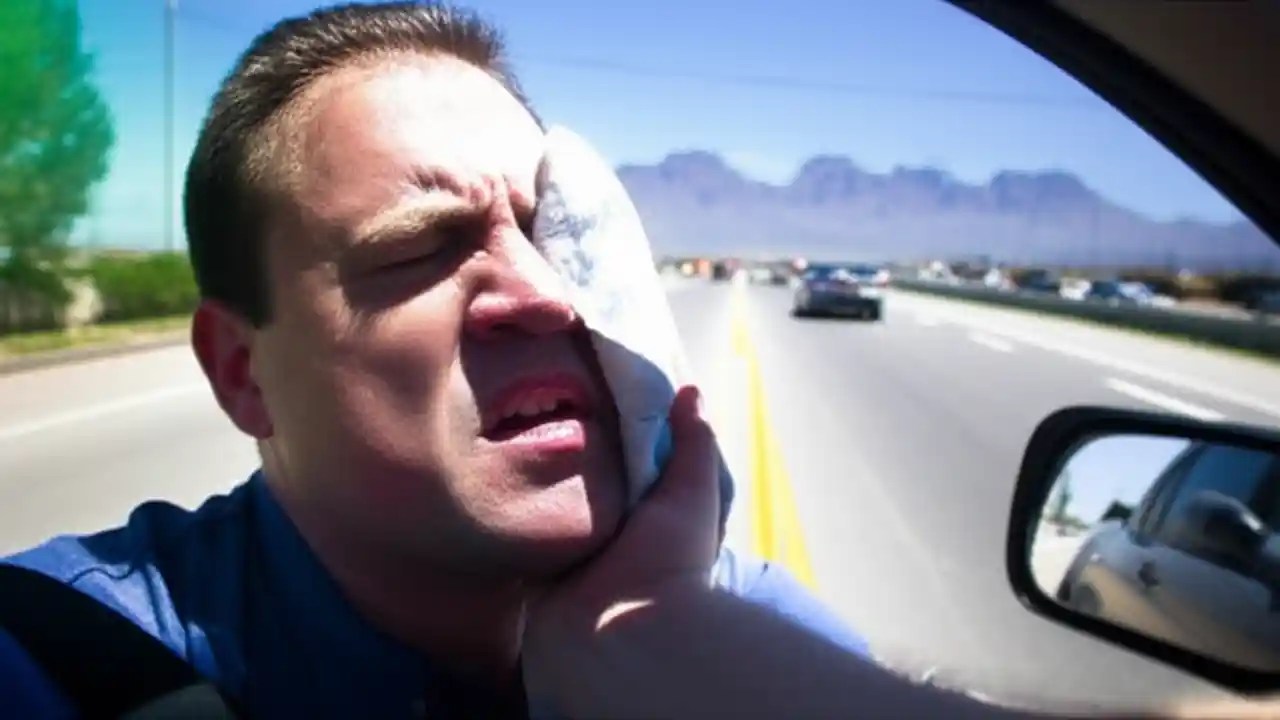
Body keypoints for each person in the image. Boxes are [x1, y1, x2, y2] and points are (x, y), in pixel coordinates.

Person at [0, 2, 871, 717]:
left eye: (552, 233)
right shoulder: (64, 648)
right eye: (422, 245)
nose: (547, 295)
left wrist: (664, 640)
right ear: (241, 370)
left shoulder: (737, 623)